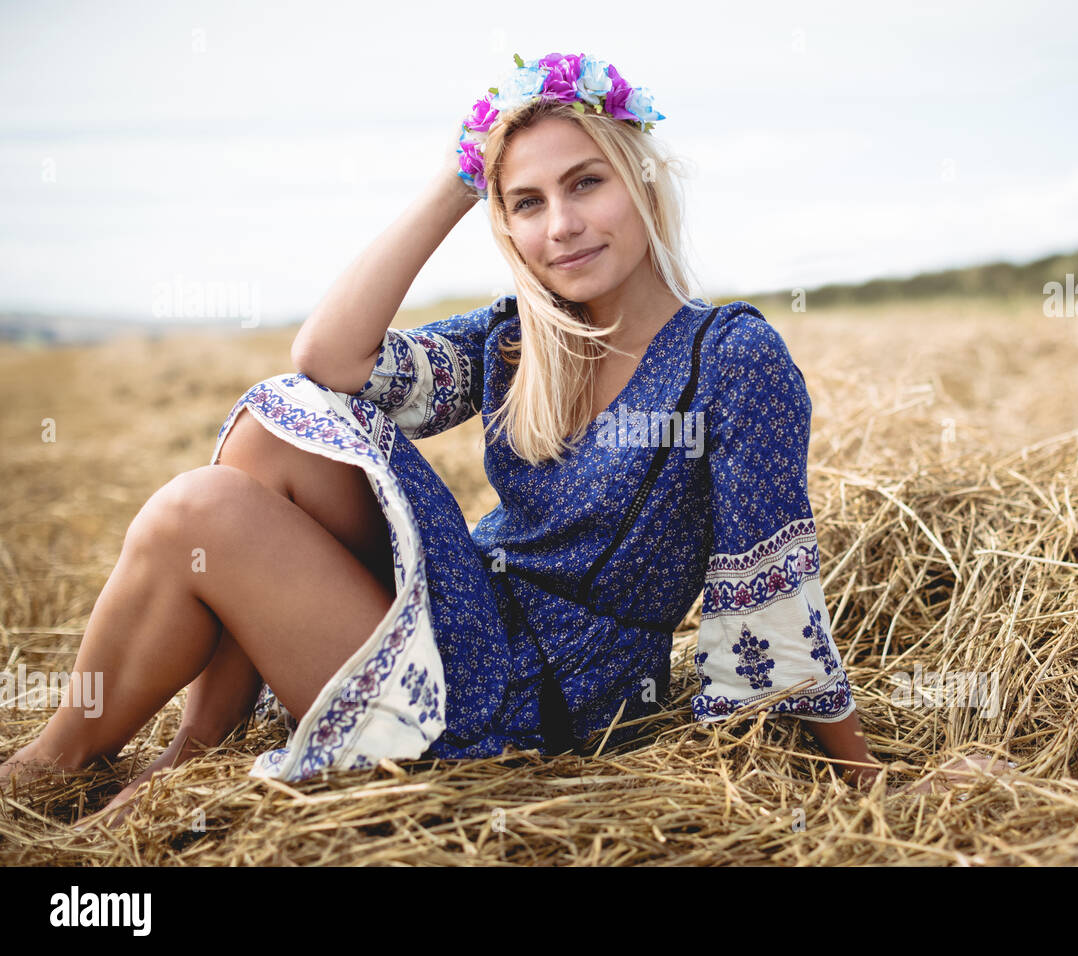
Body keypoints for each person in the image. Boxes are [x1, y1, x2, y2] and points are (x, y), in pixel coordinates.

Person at [0, 53, 1010, 826]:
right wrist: (455, 176)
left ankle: (54, 769)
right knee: (283, 424)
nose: (560, 225)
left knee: (200, 506)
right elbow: (331, 362)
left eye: (585, 185)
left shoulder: (730, 357)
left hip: (541, 696)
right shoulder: (512, 337)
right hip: (467, 615)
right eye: (526, 202)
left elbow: (770, 589)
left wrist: (863, 780)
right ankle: (191, 752)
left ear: (643, 183)